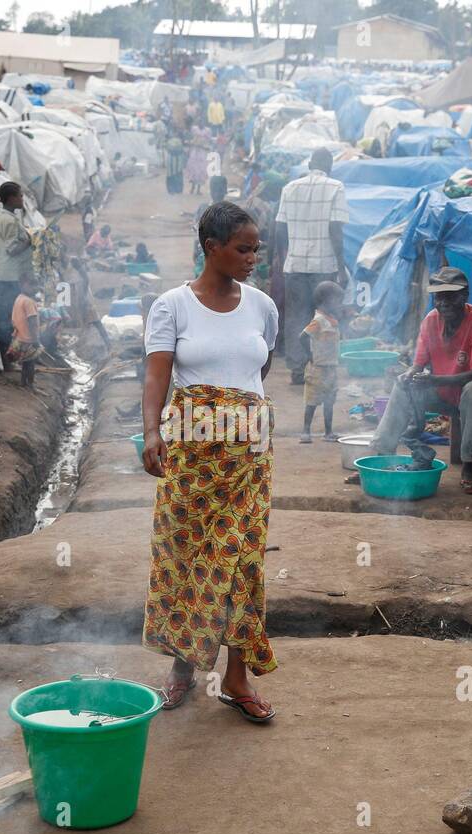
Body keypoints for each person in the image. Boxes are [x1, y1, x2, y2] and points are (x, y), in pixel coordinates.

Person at [140, 201, 279, 723]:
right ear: (211, 249)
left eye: (255, 249)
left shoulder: (262, 305)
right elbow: (157, 375)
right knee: (186, 556)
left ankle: (237, 677)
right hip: (192, 456)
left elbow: (259, 372)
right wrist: (152, 431)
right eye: (243, 249)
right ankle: (183, 669)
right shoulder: (172, 306)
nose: (252, 258)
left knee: (244, 560)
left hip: (249, 456)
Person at [372, 267, 472, 493]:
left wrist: (435, 380)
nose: (444, 303)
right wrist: (409, 374)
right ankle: (381, 456)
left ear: (464, 297)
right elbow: (418, 364)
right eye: (439, 297)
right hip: (449, 396)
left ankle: (468, 465)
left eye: (450, 296)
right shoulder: (431, 321)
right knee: (403, 386)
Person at [275, 147, 349, 385]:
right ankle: (321, 368)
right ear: (329, 165)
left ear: (309, 164)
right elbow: (335, 230)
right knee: (324, 316)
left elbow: (279, 229)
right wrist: (341, 267)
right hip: (323, 264)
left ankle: (298, 370)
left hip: (295, 264)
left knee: (296, 316)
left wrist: (283, 256)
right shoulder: (336, 187)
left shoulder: (289, 188)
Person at [0, 181, 32, 351]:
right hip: (10, 276)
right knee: (9, 317)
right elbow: (12, 249)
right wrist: (30, 240)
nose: (22, 199)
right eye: (20, 196)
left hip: (7, 274)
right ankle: (8, 354)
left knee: (5, 316)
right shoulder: (9, 220)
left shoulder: (7, 217)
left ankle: (8, 353)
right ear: (12, 198)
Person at [299, 280, 344, 443]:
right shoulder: (318, 321)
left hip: (331, 367)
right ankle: (305, 431)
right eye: (337, 301)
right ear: (325, 301)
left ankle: (328, 432)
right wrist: (310, 355)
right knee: (312, 400)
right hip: (317, 368)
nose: (339, 304)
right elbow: (303, 337)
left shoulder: (331, 320)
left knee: (329, 401)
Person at [7, 272, 42, 387]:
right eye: (32, 285)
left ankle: (23, 382)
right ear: (22, 285)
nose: (35, 288)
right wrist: (35, 339)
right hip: (28, 338)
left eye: (36, 285)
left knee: (26, 362)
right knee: (31, 362)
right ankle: (30, 384)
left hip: (19, 336)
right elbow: (32, 322)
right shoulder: (29, 302)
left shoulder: (19, 298)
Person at [193, 174, 228, 274]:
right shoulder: (231, 211)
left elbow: (197, 234)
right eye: (215, 189)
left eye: (219, 190)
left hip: (207, 256)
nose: (217, 193)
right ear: (226, 191)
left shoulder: (203, 208)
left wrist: (196, 251)